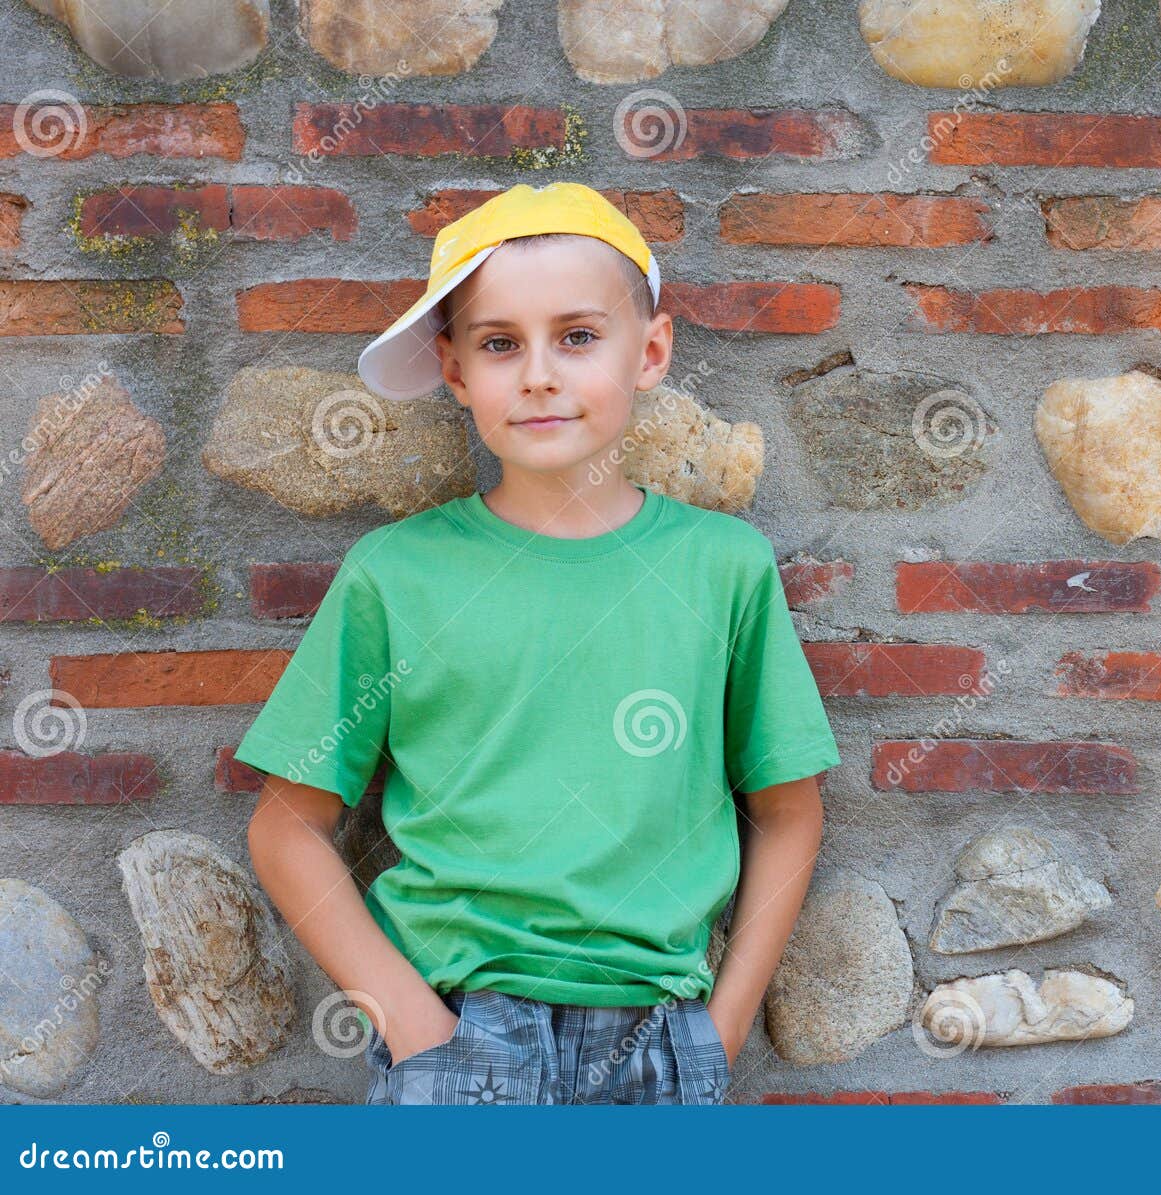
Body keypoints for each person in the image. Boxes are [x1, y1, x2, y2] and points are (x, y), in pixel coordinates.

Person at [235, 181, 839, 1105]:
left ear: (653, 350)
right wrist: (414, 1022)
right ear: (454, 370)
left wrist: (722, 1028)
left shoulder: (724, 566)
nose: (540, 374)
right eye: (500, 343)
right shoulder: (396, 573)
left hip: (660, 1038)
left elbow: (789, 811)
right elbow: (286, 826)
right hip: (461, 1032)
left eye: (579, 336)